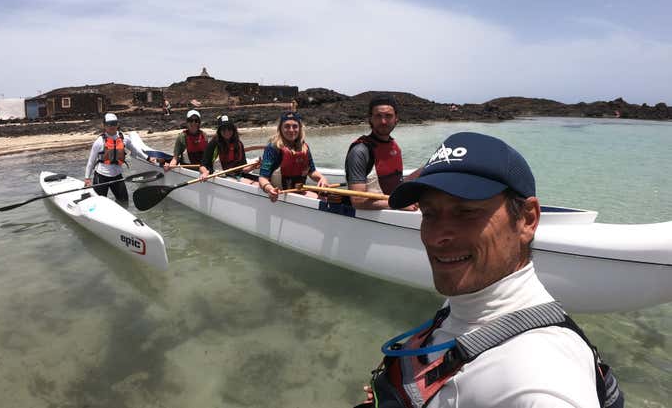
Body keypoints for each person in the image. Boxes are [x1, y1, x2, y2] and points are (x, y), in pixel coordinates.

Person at [357, 132, 623, 408]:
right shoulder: (472, 294)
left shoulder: (540, 378)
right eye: (429, 213)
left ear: (527, 219)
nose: (436, 237)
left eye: (466, 212)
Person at [344, 94, 421, 209]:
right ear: (370, 119)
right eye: (378, 116)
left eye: (388, 116)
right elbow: (357, 201)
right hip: (378, 216)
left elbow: (393, 185)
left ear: (396, 119)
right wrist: (399, 204)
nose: (383, 121)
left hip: (394, 205)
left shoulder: (394, 147)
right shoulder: (360, 151)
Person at [84, 113, 158, 202]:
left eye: (114, 123)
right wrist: (87, 178)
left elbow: (136, 150)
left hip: (117, 176)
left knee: (124, 201)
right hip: (101, 177)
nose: (112, 126)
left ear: (118, 124)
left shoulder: (124, 139)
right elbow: (91, 162)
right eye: (109, 124)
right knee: (99, 203)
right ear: (104, 126)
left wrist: (148, 158)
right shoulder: (99, 141)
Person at [257, 111, 329, 201]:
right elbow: (263, 178)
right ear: (280, 129)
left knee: (326, 198)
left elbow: (312, 172)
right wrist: (270, 189)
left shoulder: (304, 147)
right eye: (287, 126)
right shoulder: (273, 148)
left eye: (295, 126)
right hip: (280, 193)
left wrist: (322, 178)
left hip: (298, 191)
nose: (291, 130)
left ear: (300, 129)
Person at [198, 115, 259, 185]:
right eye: (223, 129)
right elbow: (202, 165)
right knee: (253, 184)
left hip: (236, 175)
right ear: (219, 131)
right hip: (220, 175)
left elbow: (243, 169)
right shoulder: (213, 144)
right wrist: (205, 173)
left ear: (233, 129)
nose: (227, 132)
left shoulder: (239, 144)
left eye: (229, 129)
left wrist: (253, 166)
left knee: (260, 181)